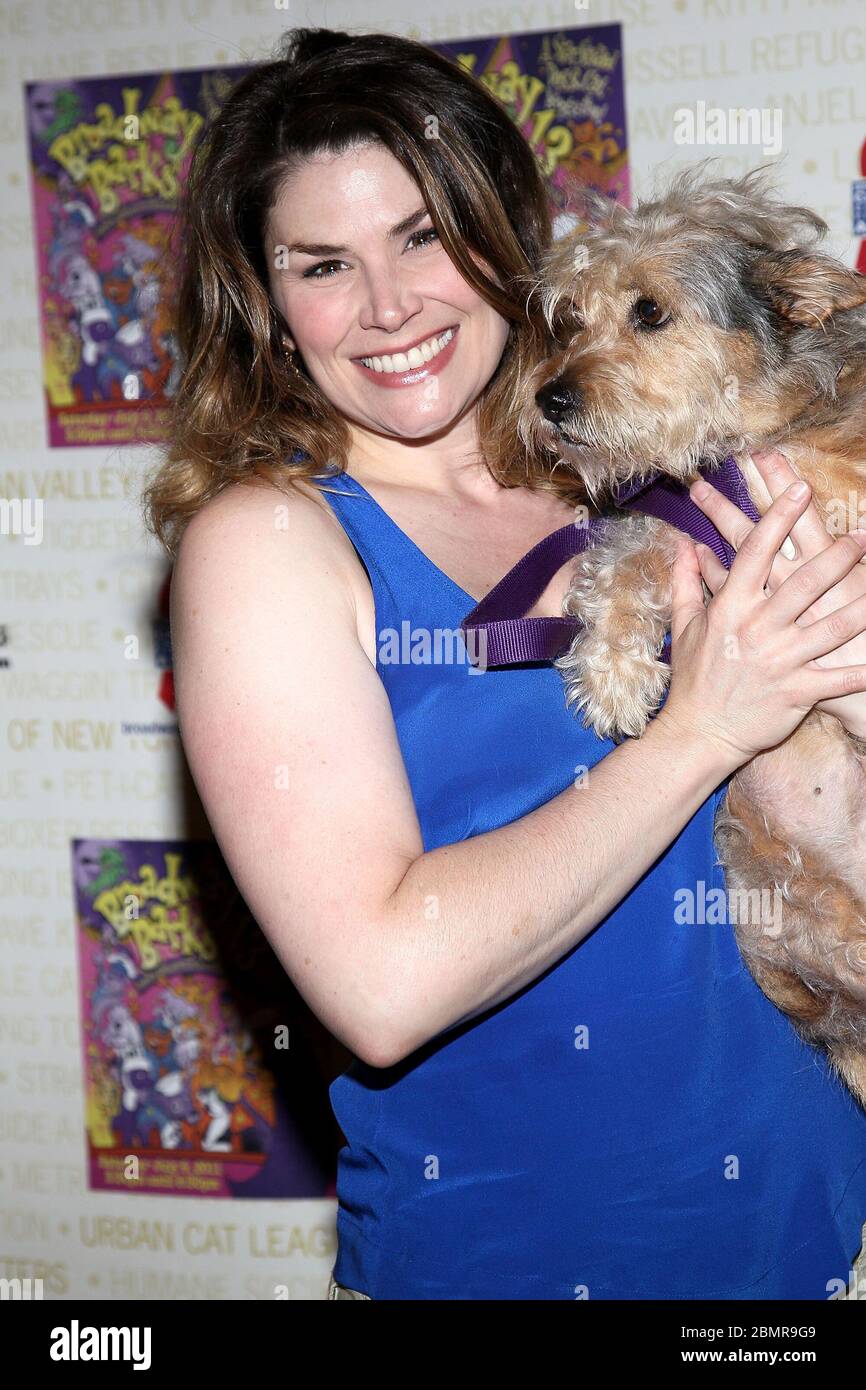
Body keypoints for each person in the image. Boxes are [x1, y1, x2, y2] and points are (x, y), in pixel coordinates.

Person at [143, 27, 866, 1300]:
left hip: (814, 1254)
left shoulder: (649, 469)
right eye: (323, 264)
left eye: (421, 235)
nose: (386, 306)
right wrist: (698, 727)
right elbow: (379, 986)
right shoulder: (270, 544)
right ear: (264, 302)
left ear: (500, 236)